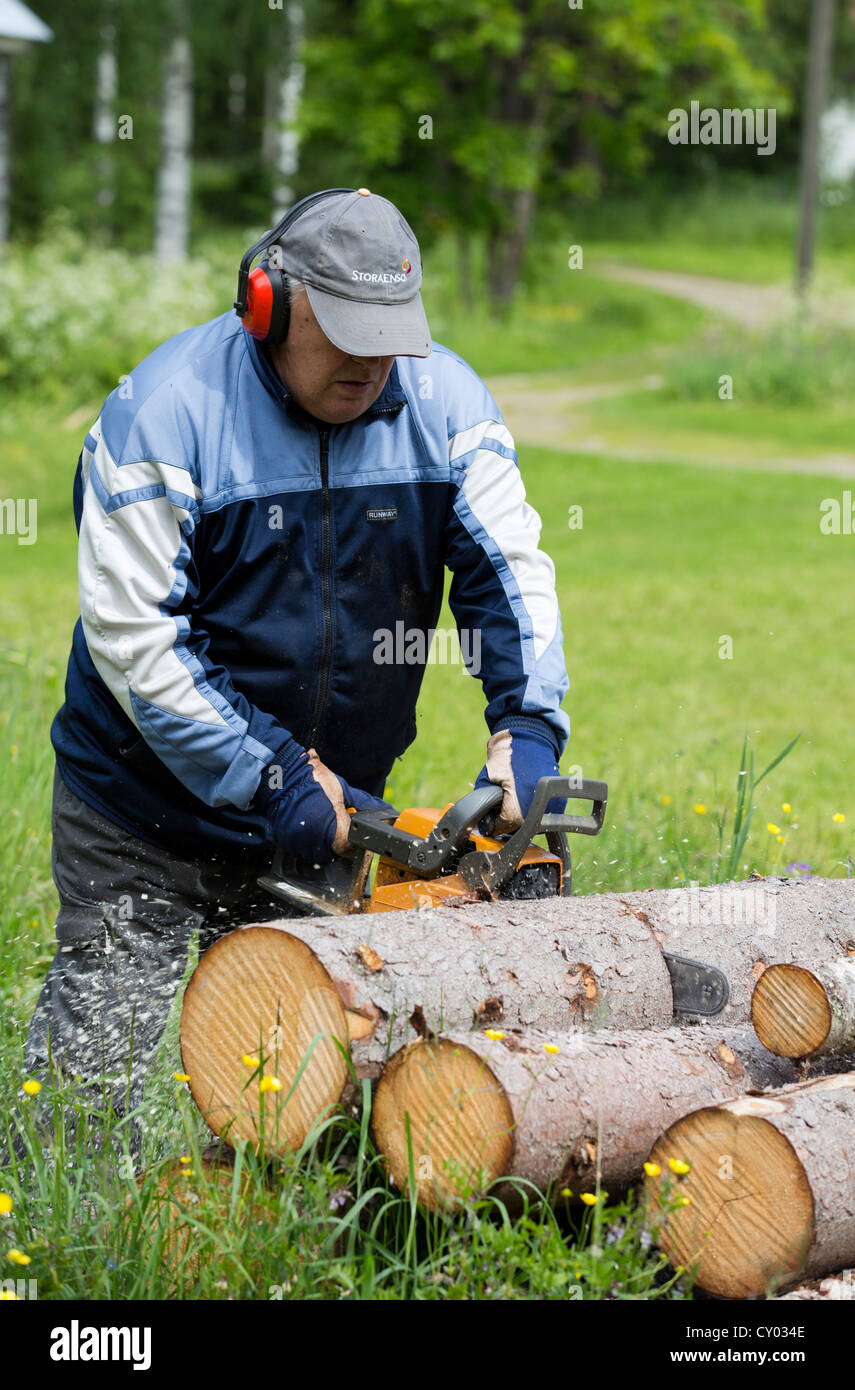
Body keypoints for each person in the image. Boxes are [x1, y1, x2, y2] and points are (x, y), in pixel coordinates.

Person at [23, 187, 570, 1136]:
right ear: (269, 305)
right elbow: (138, 640)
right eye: (346, 331)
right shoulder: (163, 415)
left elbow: (507, 574)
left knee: (302, 1095)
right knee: (83, 1098)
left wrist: (523, 729)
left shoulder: (445, 404)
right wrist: (276, 773)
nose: (369, 361)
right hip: (140, 814)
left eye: (388, 333)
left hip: (327, 816)